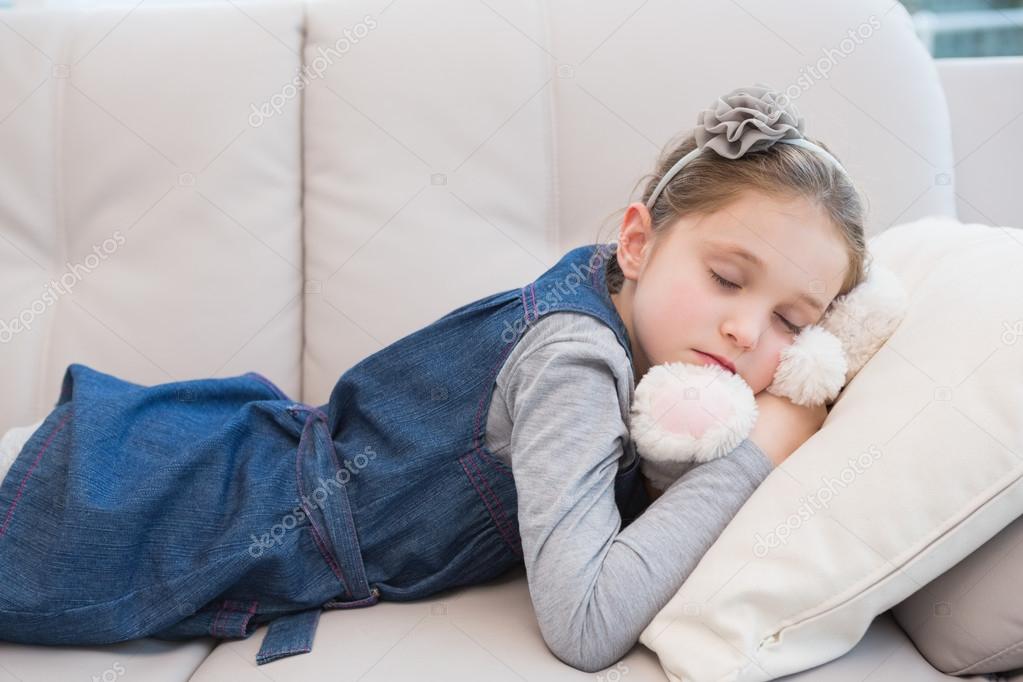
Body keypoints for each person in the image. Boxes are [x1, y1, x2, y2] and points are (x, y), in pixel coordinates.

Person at [0, 84, 868, 673]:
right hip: (182, 499)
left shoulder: (628, 331)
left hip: (222, 459)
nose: (746, 329)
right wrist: (756, 450)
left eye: (792, 322)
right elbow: (587, 622)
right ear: (636, 245)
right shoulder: (574, 360)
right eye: (726, 277)